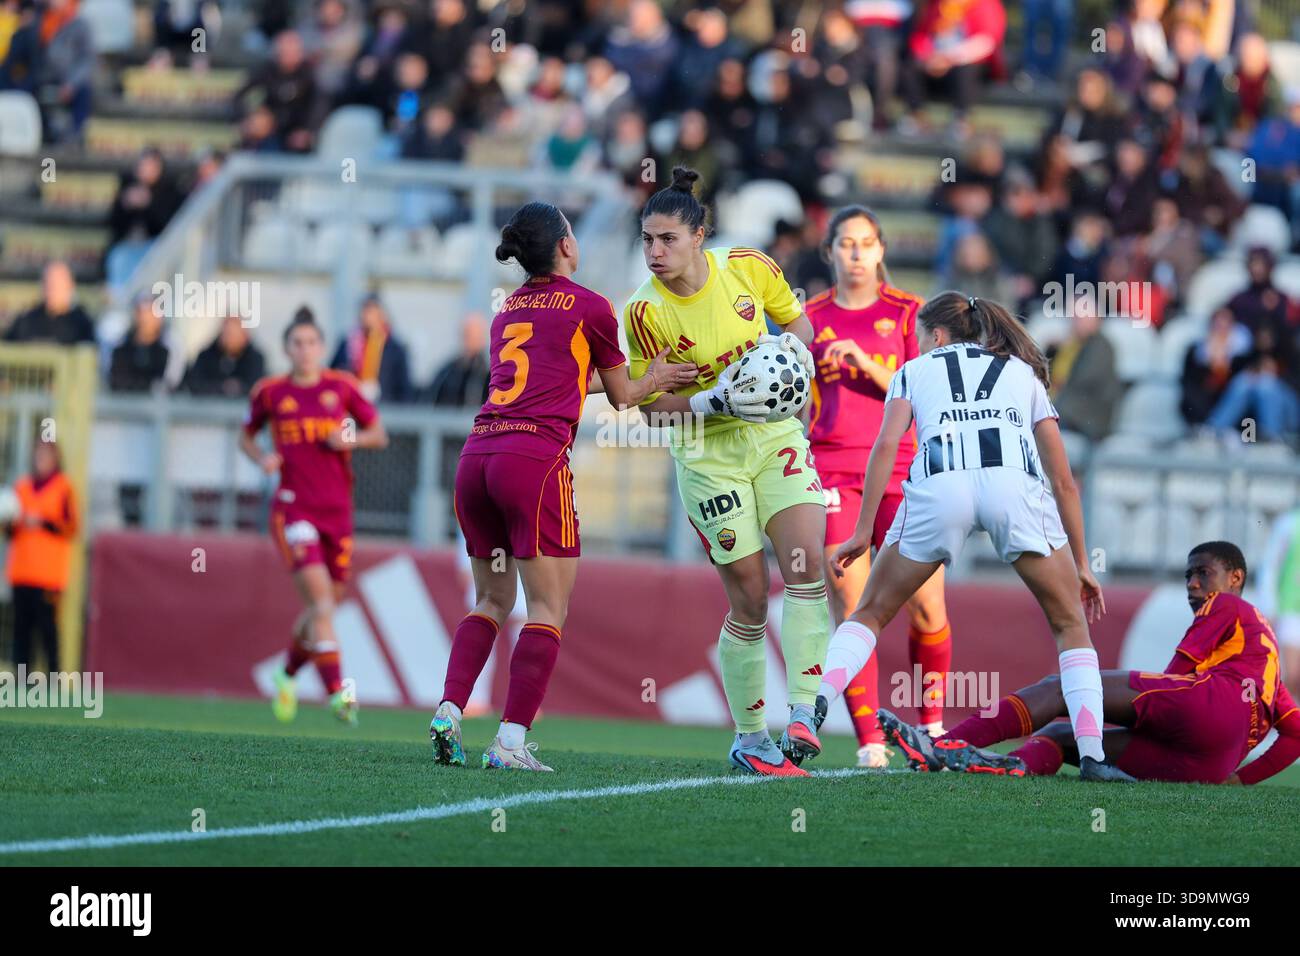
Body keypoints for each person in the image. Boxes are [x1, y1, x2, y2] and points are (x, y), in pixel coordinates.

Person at [817, 292, 1127, 782]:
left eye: (920, 337)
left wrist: (862, 532)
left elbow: (886, 445)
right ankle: (1093, 757)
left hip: (943, 486)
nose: (917, 345)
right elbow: (1064, 479)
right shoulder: (1023, 373)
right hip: (1013, 488)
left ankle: (813, 709)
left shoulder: (913, 372)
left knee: (871, 613)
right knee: (1070, 625)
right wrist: (1083, 563)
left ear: (936, 336)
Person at [430, 201, 695, 771]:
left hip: (477, 457)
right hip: (534, 462)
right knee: (548, 607)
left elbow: (566, 380)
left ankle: (449, 711)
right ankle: (510, 742)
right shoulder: (592, 307)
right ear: (567, 246)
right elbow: (625, 395)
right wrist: (655, 378)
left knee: (492, 599)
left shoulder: (507, 313)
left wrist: (638, 379)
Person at [622, 166, 830, 777]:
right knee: (749, 594)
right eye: (646, 240)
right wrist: (712, 400)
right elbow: (651, 411)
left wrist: (795, 361)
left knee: (806, 564)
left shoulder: (748, 267)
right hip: (706, 453)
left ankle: (803, 710)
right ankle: (750, 737)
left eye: (666, 239)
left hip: (773, 437)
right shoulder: (642, 313)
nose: (655, 252)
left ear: (699, 235)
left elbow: (798, 325)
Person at [881, 542, 1300, 785]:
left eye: (1203, 573)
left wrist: (1123, 708)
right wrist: (1240, 778)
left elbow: (1176, 677)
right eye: (1188, 575)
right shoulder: (1266, 664)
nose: (1193, 583)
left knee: (1067, 688)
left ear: (1235, 579)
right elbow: (1295, 734)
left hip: (1207, 711)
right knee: (1069, 736)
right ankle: (1014, 767)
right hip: (1212, 763)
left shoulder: (1225, 605)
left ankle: (943, 743)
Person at [806, 206, 951, 768]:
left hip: (906, 470)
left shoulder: (910, 313)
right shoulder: (806, 317)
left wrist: (866, 364)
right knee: (851, 601)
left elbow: (928, 392)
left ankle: (932, 728)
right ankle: (870, 740)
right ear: (830, 253)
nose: (858, 253)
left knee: (925, 603)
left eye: (867, 242)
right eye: (846, 243)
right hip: (835, 470)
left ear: (882, 250)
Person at [239, 310, 389, 726]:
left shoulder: (341, 387)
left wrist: (349, 438)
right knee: (322, 603)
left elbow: (380, 434)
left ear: (322, 348)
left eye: (311, 343)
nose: (305, 351)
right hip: (293, 508)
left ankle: (286, 674)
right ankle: (338, 694)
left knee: (323, 607)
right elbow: (246, 435)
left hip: (338, 510)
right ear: (287, 349)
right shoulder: (270, 392)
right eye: (297, 343)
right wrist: (262, 457)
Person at [5, 439, 77, 672]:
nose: (41, 461)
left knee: (47, 629)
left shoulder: (63, 488)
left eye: (46, 456)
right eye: (38, 456)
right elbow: (9, 531)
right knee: (21, 630)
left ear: (55, 459)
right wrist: (11, 521)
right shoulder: (21, 487)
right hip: (21, 572)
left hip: (48, 575)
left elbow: (71, 527)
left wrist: (44, 522)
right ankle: (21, 681)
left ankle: (54, 679)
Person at [329, 293, 411, 403]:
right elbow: (332, 374)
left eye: (371, 311)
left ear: (382, 315)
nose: (367, 316)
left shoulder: (395, 349)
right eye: (365, 310)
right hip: (350, 407)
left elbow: (404, 389)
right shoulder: (347, 344)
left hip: (384, 408)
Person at [3, 261, 95, 345]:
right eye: (48, 282)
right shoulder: (25, 322)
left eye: (58, 284)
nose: (52, 289)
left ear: (70, 286)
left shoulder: (81, 325)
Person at [180, 316, 267, 397]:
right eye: (227, 334)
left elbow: (257, 387)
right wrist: (222, 387)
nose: (230, 339)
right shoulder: (205, 357)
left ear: (244, 336)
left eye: (234, 335)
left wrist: (238, 388)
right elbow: (194, 384)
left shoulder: (255, 359)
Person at [426, 313, 489, 408]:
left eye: (475, 336)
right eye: (467, 335)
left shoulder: (490, 375)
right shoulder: (447, 372)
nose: (470, 340)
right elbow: (432, 401)